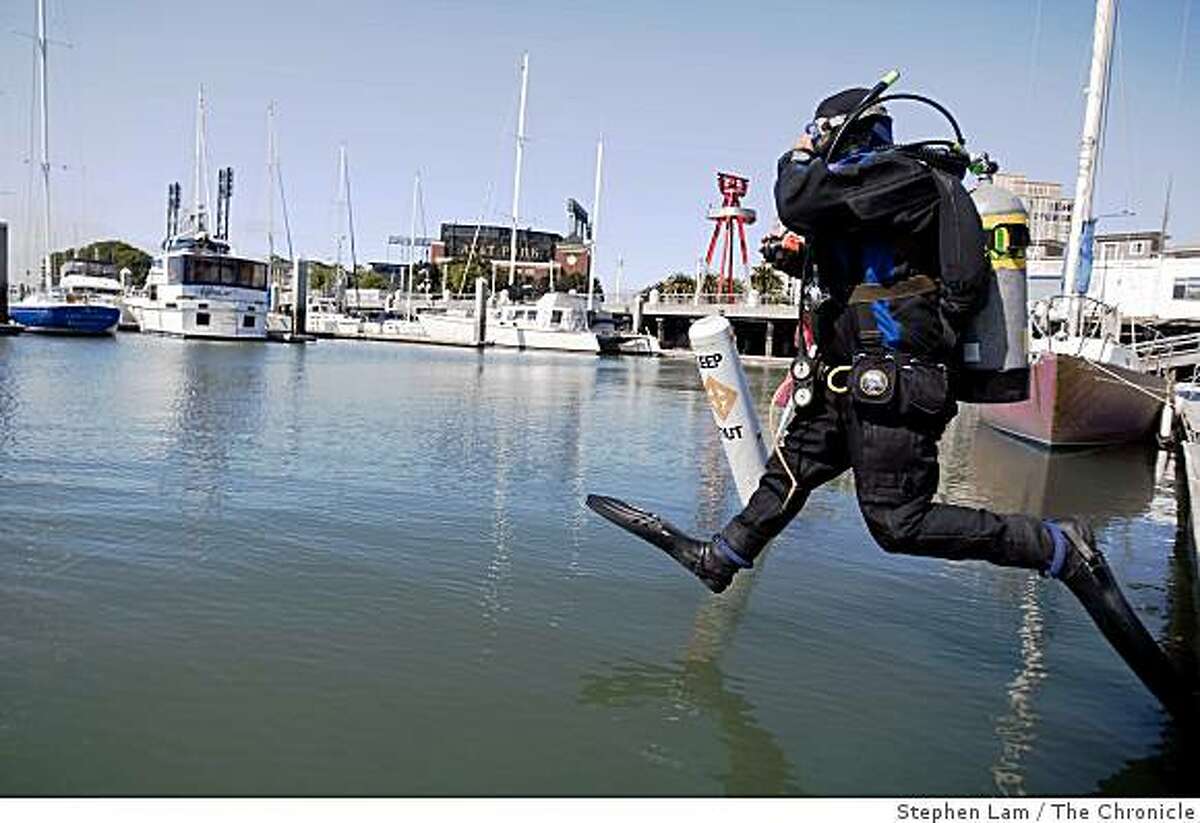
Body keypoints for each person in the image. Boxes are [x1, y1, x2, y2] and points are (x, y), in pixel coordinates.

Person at [588, 87, 1195, 718]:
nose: (812, 144)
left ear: (839, 131)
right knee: (791, 473)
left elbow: (802, 198)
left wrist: (795, 159)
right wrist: (799, 263)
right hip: (848, 376)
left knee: (897, 523)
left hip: (895, 380)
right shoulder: (871, 191)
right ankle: (723, 558)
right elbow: (872, 280)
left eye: (816, 134)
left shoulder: (900, 175)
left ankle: (1059, 546)